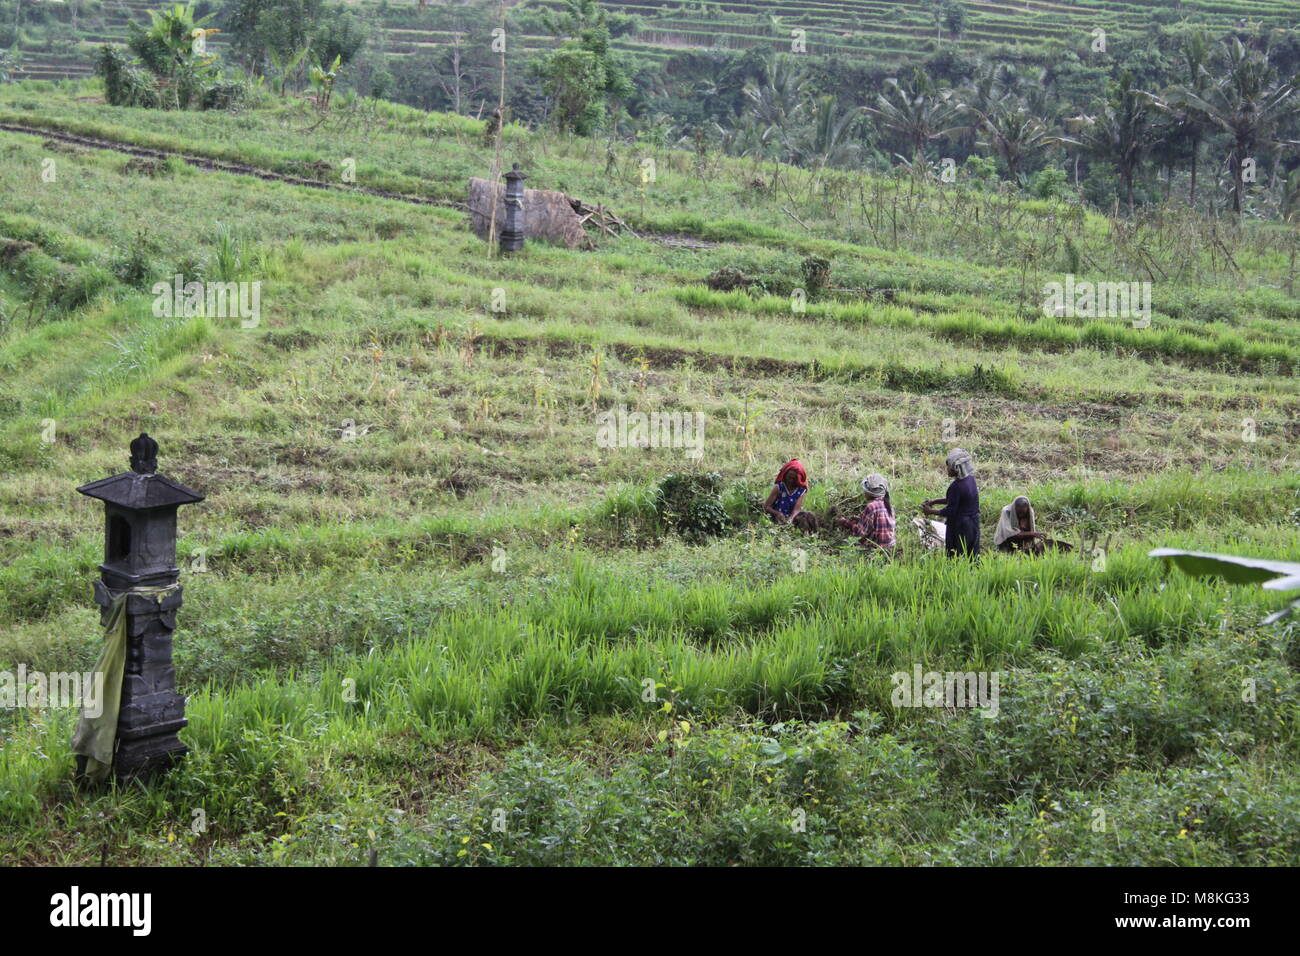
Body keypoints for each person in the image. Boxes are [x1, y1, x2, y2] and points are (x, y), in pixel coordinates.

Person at [922, 448, 980, 557]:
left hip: (961, 526)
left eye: (949, 467)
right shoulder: (970, 480)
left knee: (956, 555)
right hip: (973, 523)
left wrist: (930, 511)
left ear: (957, 468)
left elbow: (951, 510)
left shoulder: (956, 486)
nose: (947, 469)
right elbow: (957, 500)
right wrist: (934, 501)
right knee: (972, 553)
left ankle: (956, 573)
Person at [838, 473, 896, 554]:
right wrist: (859, 520)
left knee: (846, 541)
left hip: (876, 550)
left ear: (869, 493)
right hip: (890, 548)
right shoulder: (888, 505)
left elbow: (859, 533)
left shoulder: (871, 506)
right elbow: (879, 525)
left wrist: (846, 523)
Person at [765, 459, 808, 524]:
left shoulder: (800, 491)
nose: (791, 481)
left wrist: (791, 519)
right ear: (785, 476)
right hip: (776, 517)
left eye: (793, 479)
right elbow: (766, 506)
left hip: (791, 518)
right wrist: (777, 513)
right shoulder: (779, 487)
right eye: (789, 477)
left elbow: (796, 510)